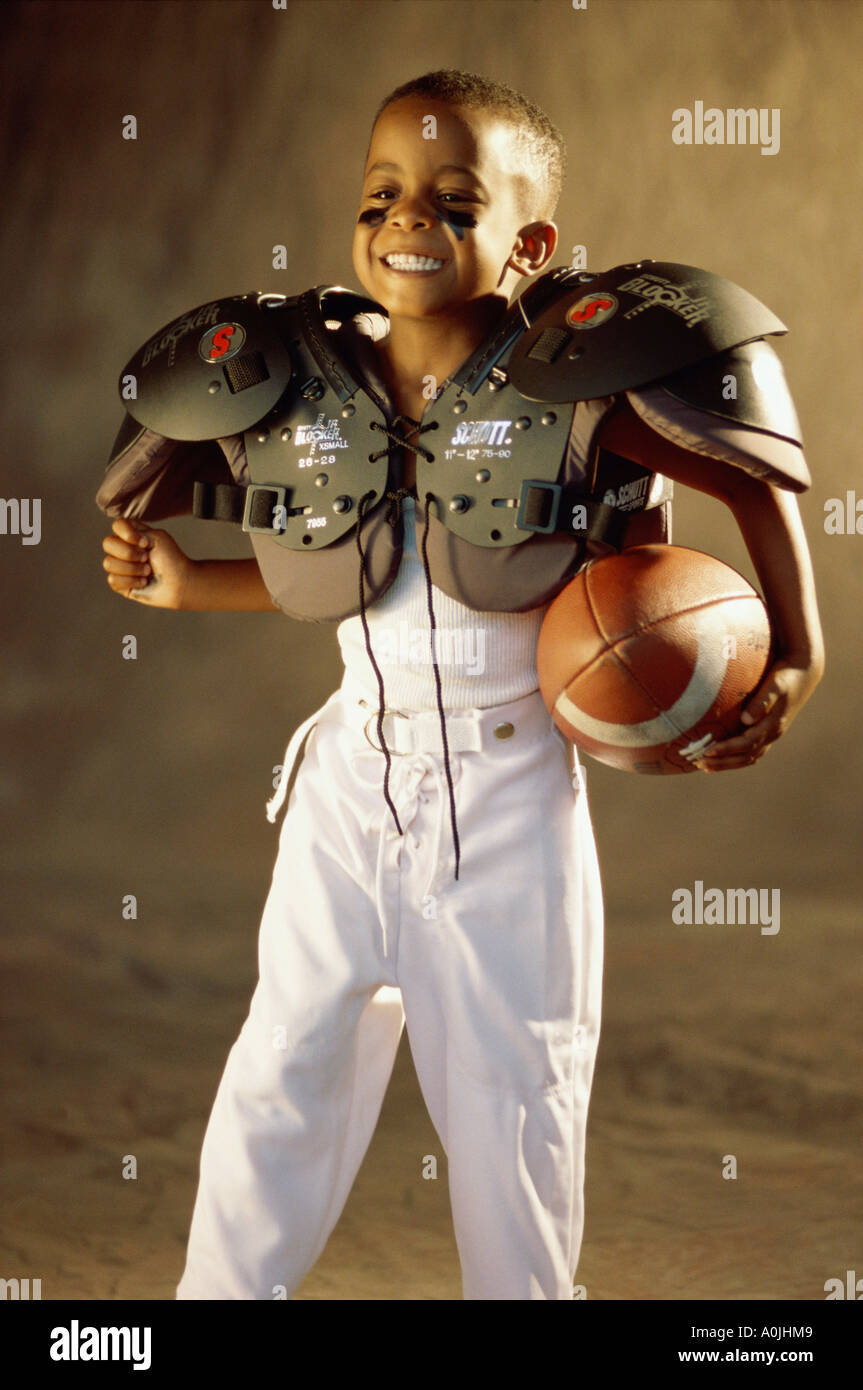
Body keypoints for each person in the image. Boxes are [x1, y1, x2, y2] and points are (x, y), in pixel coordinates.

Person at [98, 70, 824, 1300]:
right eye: (381, 195)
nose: (404, 224)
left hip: (503, 800)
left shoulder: (581, 387)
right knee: (283, 1062)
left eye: (449, 200)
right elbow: (346, 577)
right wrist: (184, 578)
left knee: (514, 1096)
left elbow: (746, 479)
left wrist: (796, 646)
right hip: (344, 784)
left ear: (530, 241)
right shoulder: (313, 381)